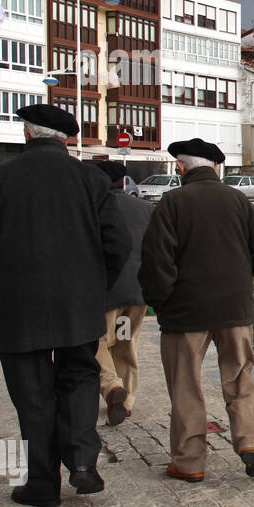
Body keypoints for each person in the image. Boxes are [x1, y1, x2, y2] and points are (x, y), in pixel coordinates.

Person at [0, 105, 129, 507]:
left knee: (32, 395)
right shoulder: (91, 180)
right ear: (64, 140)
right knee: (80, 380)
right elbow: (117, 243)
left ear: (27, 136)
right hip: (79, 306)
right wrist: (94, 290)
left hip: (17, 309)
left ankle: (42, 483)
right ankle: (83, 461)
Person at [139, 138, 254, 482]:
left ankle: (190, 462)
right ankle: (249, 444)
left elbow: (157, 263)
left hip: (185, 315)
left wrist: (161, 303)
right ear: (215, 168)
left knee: (186, 385)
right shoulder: (238, 200)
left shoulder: (171, 202)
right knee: (240, 379)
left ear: (181, 168)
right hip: (234, 311)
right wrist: (247, 289)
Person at [91, 160, 154, 426]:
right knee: (126, 343)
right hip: (137, 295)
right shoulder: (146, 209)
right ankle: (126, 401)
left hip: (107, 293)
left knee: (98, 343)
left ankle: (111, 386)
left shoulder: (95, 210)